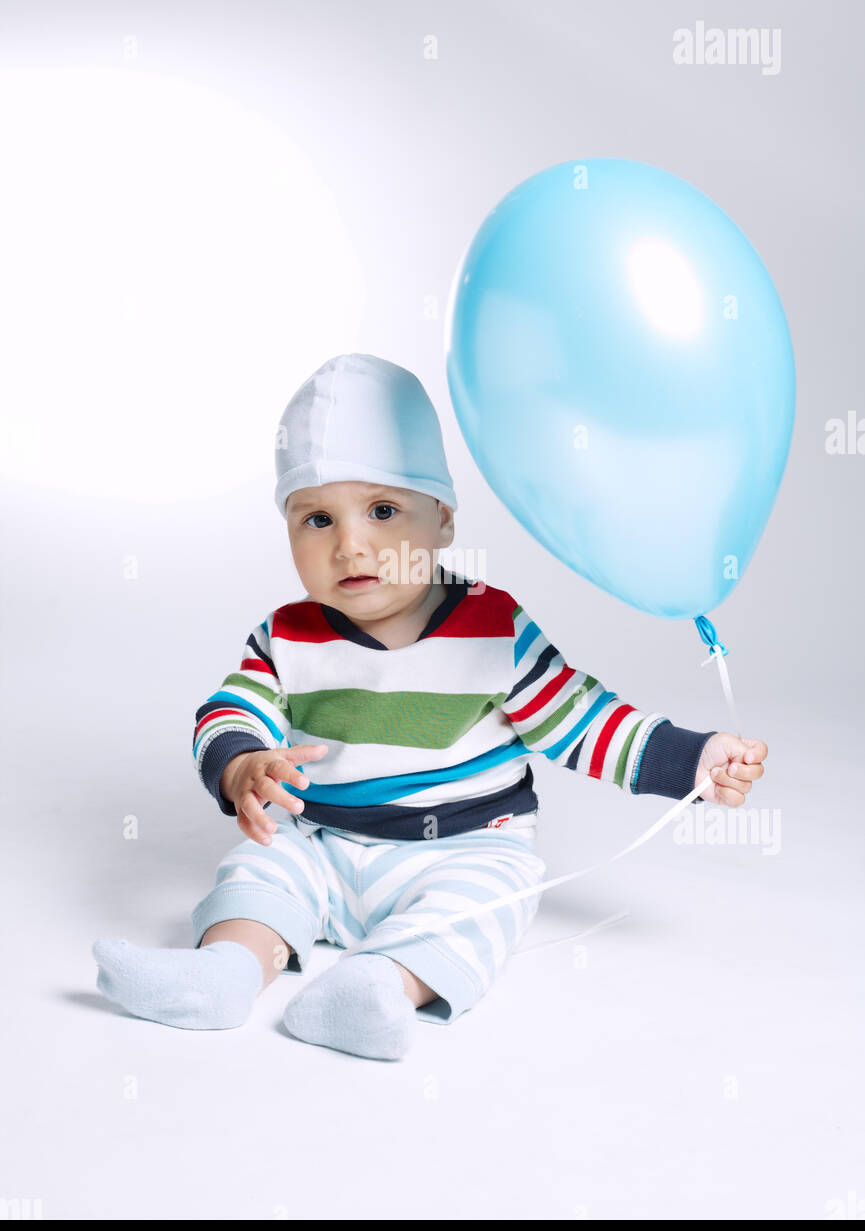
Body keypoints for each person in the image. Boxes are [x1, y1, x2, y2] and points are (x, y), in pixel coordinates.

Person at [93, 353, 767, 1061]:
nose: (351, 544)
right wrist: (242, 767)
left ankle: (379, 988)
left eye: (383, 511)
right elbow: (230, 712)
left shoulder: (492, 628)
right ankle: (224, 973)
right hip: (322, 837)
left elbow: (581, 720)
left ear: (441, 519)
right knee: (261, 869)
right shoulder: (288, 634)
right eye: (316, 519)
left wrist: (690, 760)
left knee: (486, 901)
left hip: (462, 847)